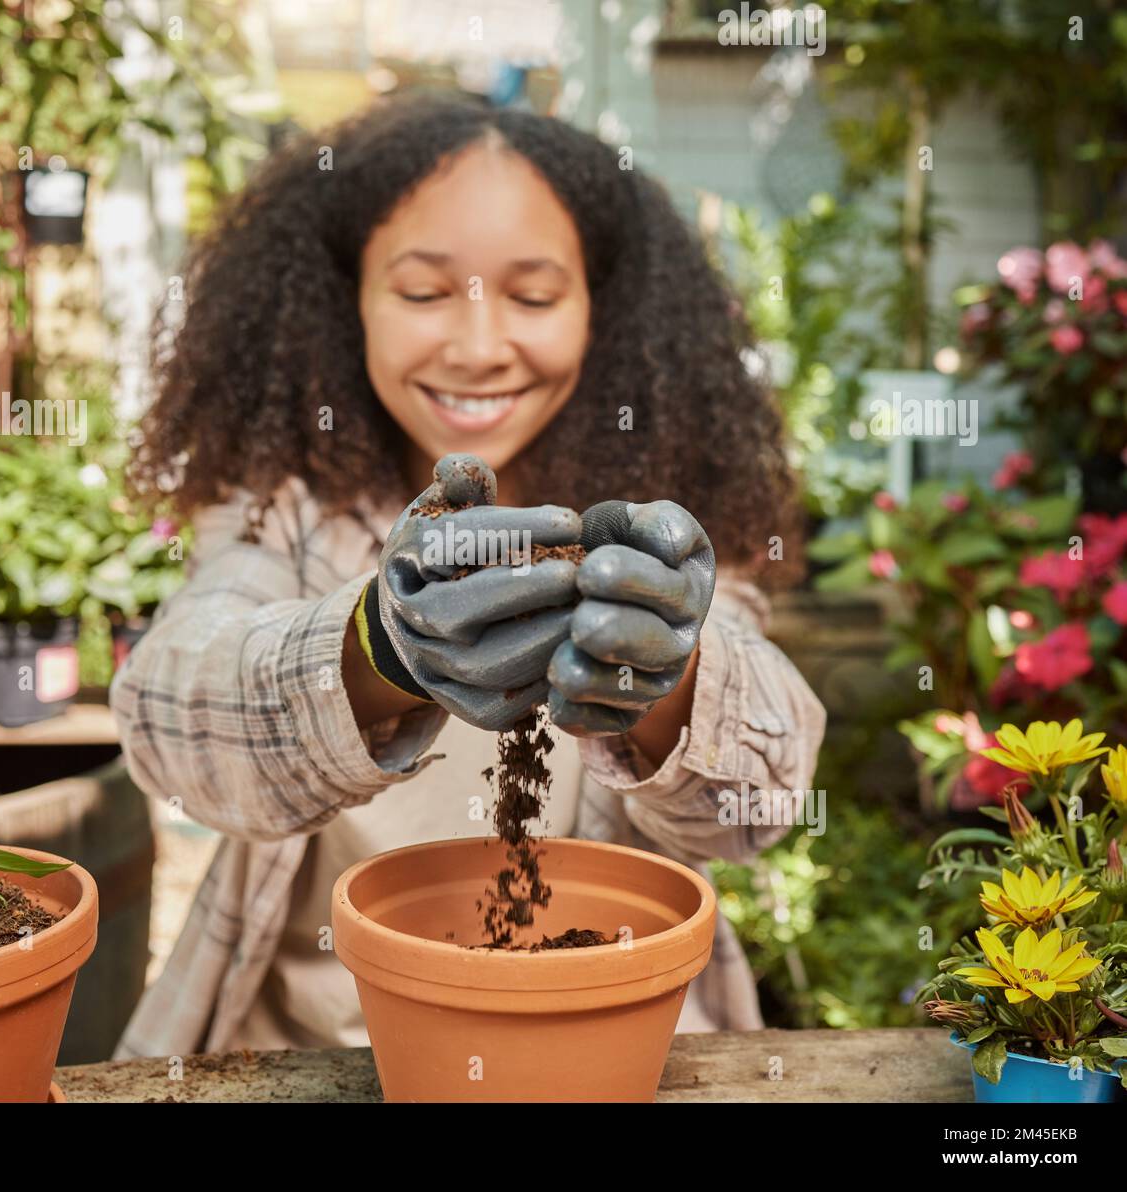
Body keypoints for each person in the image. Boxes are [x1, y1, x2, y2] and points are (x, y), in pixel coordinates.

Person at [110, 90, 826, 1059]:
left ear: (598, 309)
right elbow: (171, 715)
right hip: (310, 1055)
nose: (481, 347)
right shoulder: (284, 502)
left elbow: (760, 804)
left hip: (599, 1046)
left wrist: (672, 675)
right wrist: (376, 646)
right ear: (345, 299)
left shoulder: (660, 511)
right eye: (421, 292)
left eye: (532, 297)